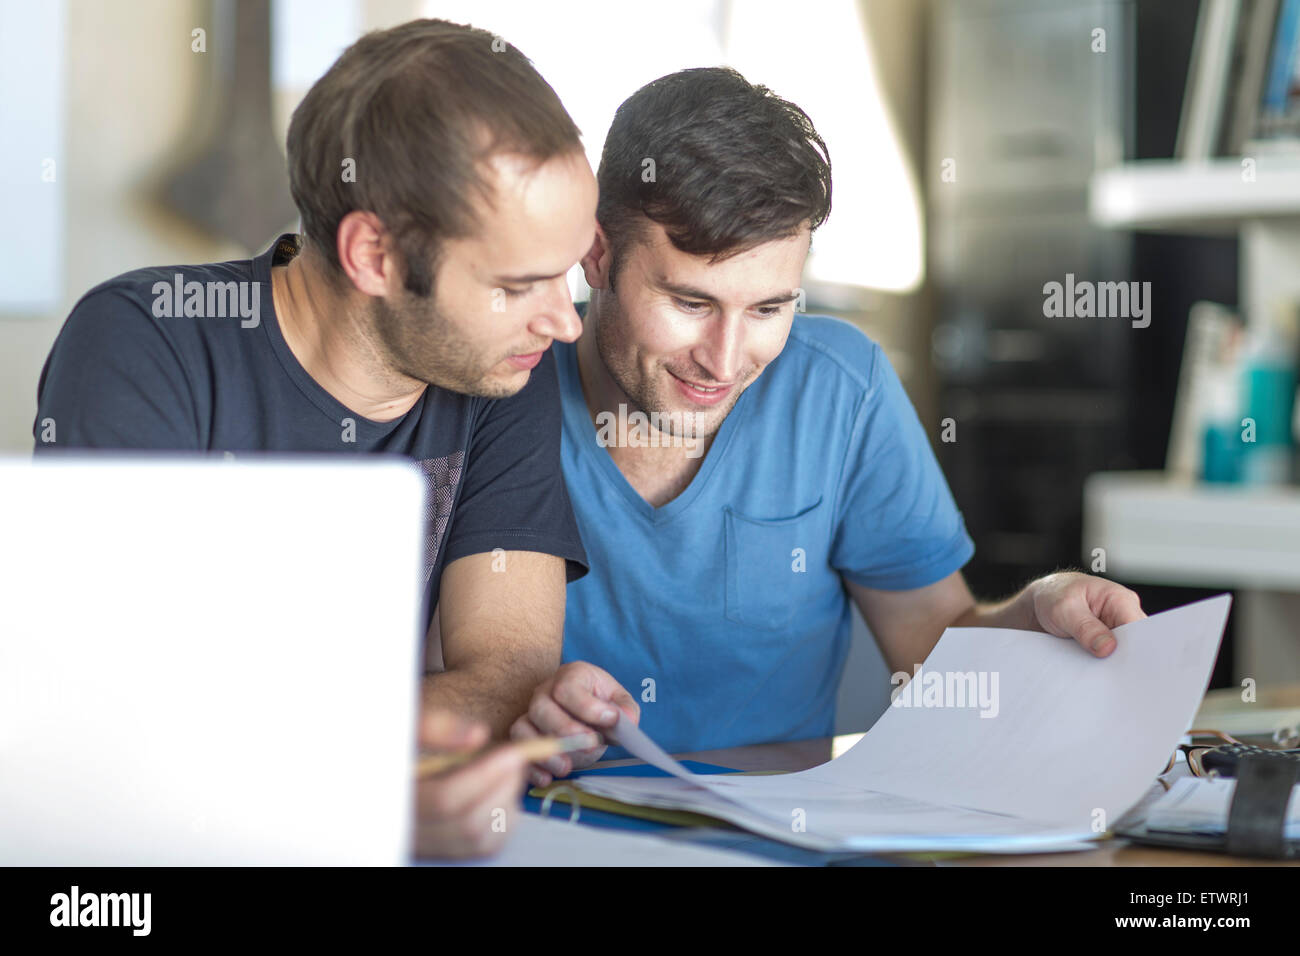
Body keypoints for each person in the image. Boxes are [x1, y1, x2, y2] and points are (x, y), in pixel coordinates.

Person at [34, 18, 595, 858]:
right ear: (373, 253)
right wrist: (354, 785)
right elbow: (118, 712)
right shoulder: (145, 339)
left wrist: (287, 751)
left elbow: (512, 673)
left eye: (568, 273)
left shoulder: (508, 364)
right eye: (517, 285)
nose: (564, 324)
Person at [510, 67, 1146, 786]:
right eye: (690, 302)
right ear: (597, 254)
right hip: (551, 830)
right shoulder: (503, 384)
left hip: (786, 836)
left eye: (768, 309)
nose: (723, 361)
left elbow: (935, 649)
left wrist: (1035, 613)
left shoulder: (842, 388)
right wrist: (510, 713)